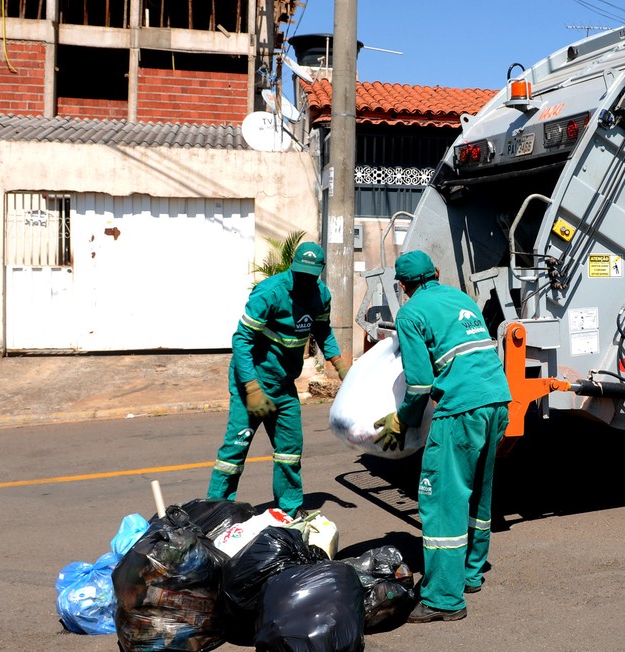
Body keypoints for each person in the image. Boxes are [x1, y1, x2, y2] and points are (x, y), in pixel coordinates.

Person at [374, 250, 511, 624]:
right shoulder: (461, 298)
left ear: (403, 285)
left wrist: (403, 420)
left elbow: (420, 384)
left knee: (442, 500)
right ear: (435, 273)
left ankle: (443, 599)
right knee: (478, 492)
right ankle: (470, 573)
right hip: (497, 400)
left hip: (462, 408)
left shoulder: (411, 313)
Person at [207, 240, 350, 516]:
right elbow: (241, 340)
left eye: (310, 275)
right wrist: (251, 387)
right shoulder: (270, 292)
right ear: (293, 267)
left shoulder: (321, 295)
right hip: (253, 382)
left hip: (284, 385)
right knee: (234, 452)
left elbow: (323, 331)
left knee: (289, 451)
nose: (304, 279)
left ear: (319, 272)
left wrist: (341, 366)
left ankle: (289, 509)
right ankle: (214, 511)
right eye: (300, 273)